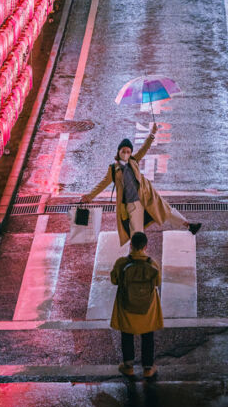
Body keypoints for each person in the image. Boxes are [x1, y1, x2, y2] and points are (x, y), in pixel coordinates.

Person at [81, 123, 201, 244]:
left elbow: (144, 148)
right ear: (118, 152)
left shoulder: (133, 160)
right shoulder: (113, 169)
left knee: (167, 211)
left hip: (147, 195)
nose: (126, 154)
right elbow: (103, 183)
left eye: (128, 151)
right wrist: (90, 196)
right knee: (136, 232)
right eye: (124, 151)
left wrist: (152, 134)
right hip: (132, 204)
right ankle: (136, 254)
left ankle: (189, 225)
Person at [110, 231, 163, 379]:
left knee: (126, 334)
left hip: (126, 304)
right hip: (147, 306)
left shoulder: (121, 263)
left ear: (131, 245)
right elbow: (157, 283)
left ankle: (128, 367)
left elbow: (114, 280)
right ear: (146, 246)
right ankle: (148, 368)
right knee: (148, 335)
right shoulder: (153, 264)